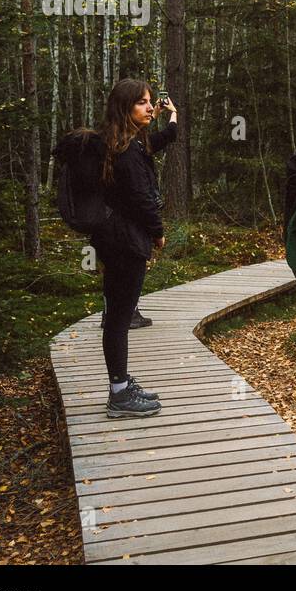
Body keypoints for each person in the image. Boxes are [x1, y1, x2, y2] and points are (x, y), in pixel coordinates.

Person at [87, 78, 179, 417]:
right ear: (125, 106)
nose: (149, 107)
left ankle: (121, 384)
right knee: (119, 319)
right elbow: (141, 198)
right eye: (142, 102)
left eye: (150, 101)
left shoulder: (121, 143)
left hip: (114, 240)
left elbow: (156, 143)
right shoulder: (126, 150)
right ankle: (119, 394)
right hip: (125, 243)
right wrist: (158, 233)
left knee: (117, 317)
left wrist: (171, 120)